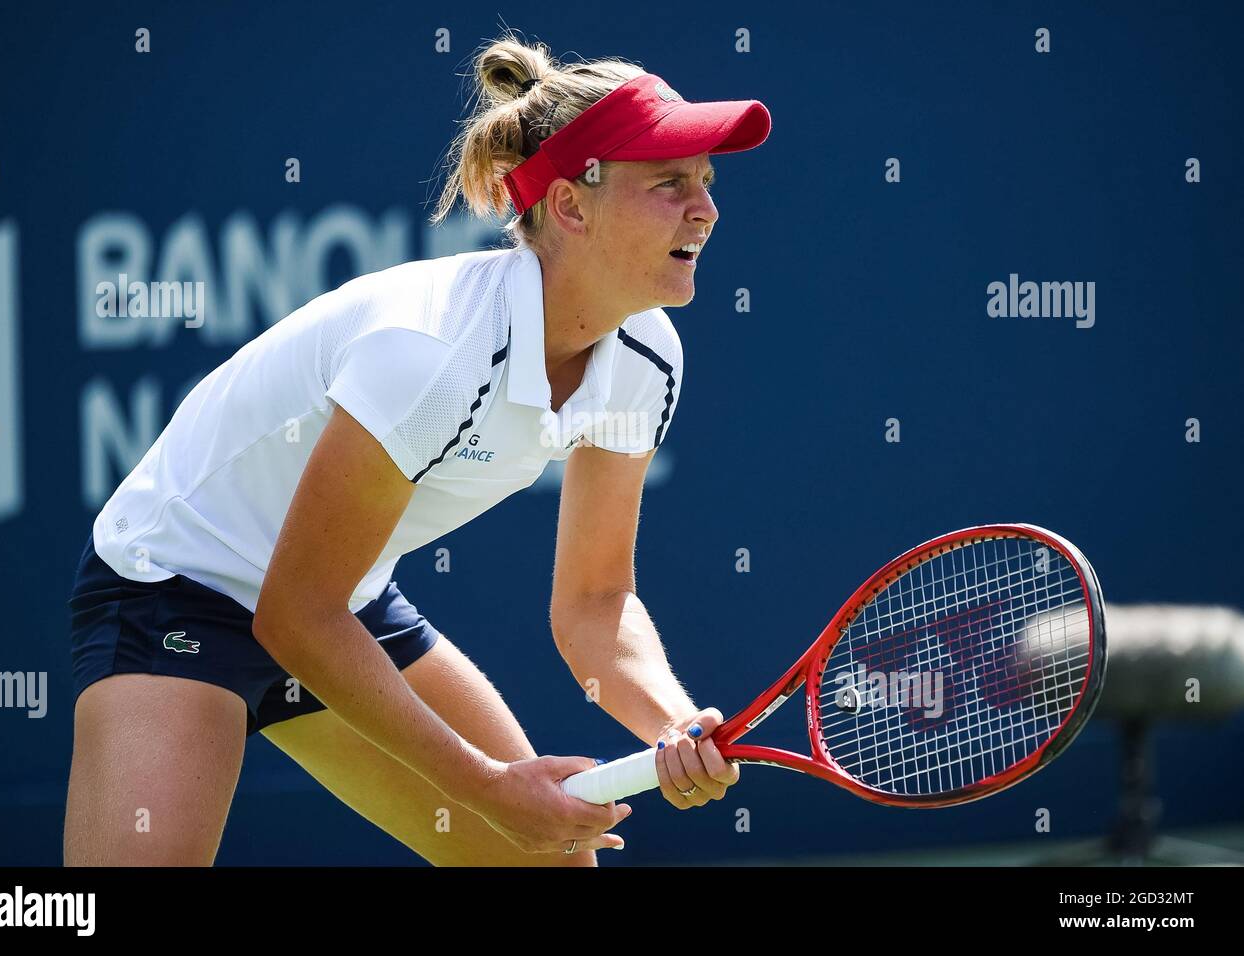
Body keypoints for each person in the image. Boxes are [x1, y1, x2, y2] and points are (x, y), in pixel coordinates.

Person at [63, 32, 771, 866]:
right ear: (573, 206)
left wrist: (672, 723)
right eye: (668, 183)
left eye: (705, 182)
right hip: (176, 589)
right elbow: (294, 617)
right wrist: (484, 787)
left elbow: (595, 600)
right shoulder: (433, 352)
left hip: (338, 600)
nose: (706, 208)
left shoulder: (647, 356)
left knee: (549, 862)